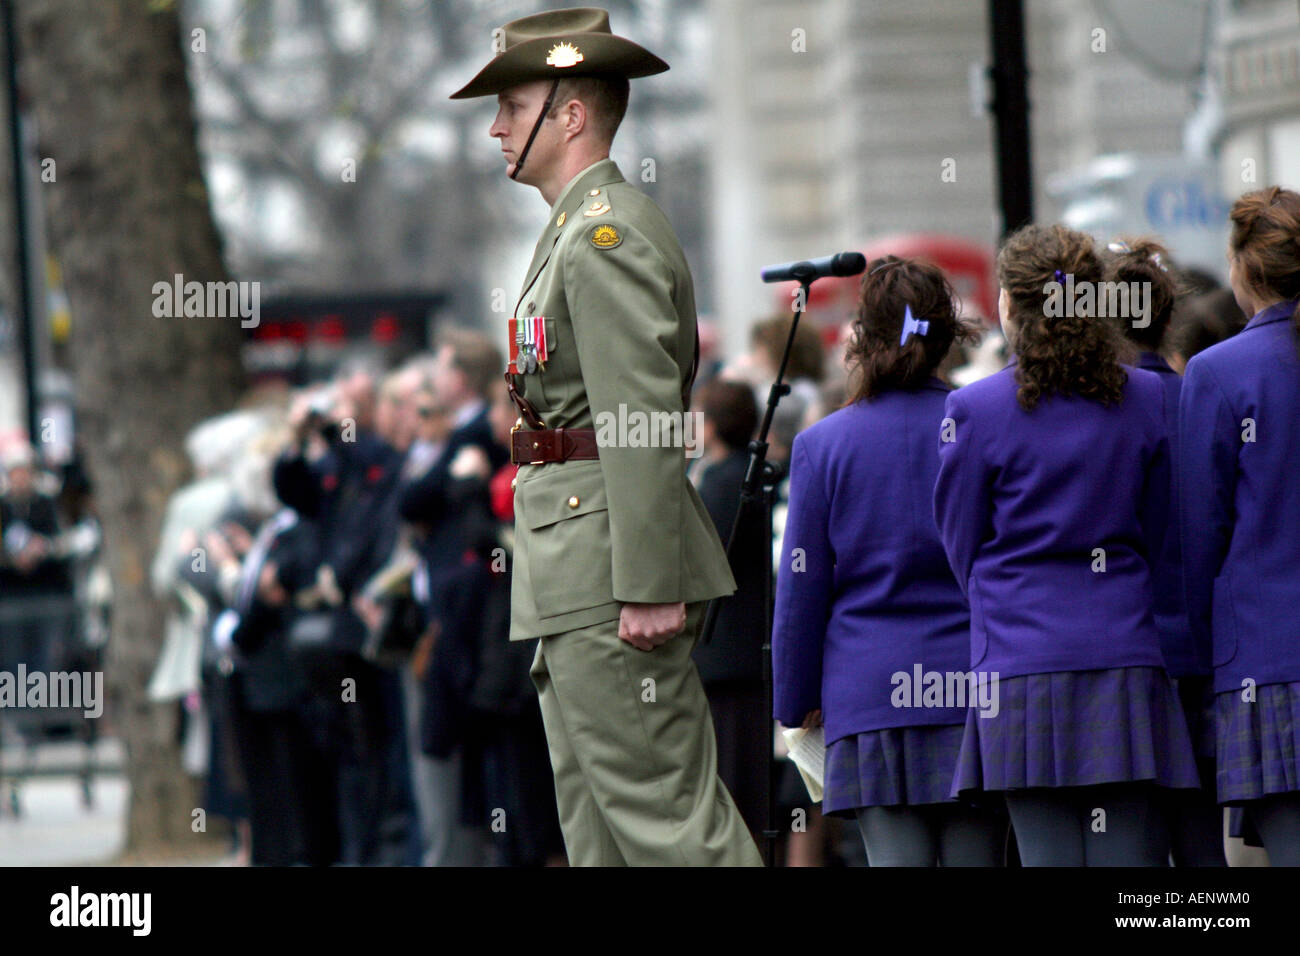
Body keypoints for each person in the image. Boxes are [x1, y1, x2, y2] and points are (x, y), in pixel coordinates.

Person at [450, 6, 760, 866]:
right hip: (582, 567)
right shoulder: (577, 231)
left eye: (511, 107)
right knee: (604, 842)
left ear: (570, 114)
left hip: (610, 570)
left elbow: (640, 420)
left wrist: (650, 580)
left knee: (671, 830)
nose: (496, 127)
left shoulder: (604, 237)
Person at [935, 224, 1200, 866]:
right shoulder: (1144, 398)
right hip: (1125, 653)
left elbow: (960, 544)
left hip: (1020, 661)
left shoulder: (974, 409)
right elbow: (1164, 529)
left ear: (1007, 305)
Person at [773, 256, 1004, 866]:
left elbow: (802, 585)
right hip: (972, 687)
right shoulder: (984, 424)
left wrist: (793, 699)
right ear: (946, 335)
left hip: (869, 693)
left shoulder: (821, 446)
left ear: (863, 336)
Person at [1180, 186, 1300, 866]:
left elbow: (1201, 539)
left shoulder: (1218, 372)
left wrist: (1201, 661)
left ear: (1244, 269)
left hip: (1268, 662)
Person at [1104, 238, 1225, 866]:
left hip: (1129, 656)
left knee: (1138, 844)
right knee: (1204, 840)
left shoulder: (1101, 414)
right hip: (1208, 649)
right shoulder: (1202, 396)